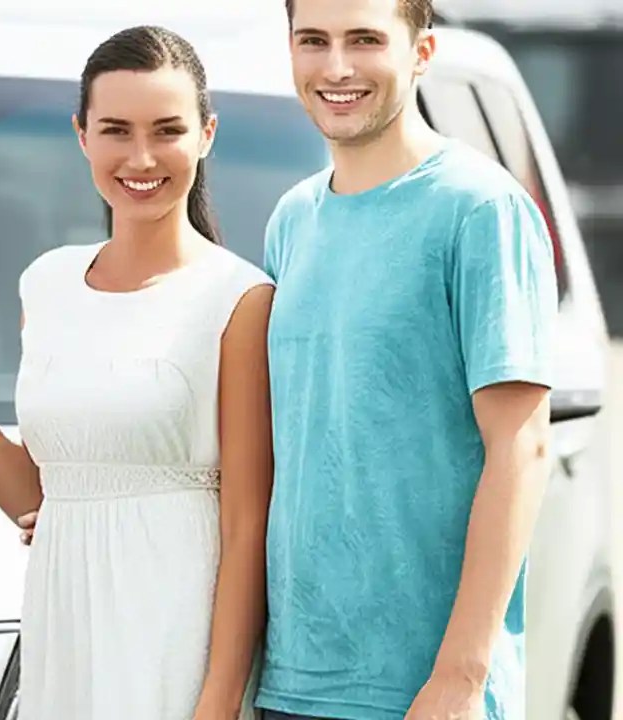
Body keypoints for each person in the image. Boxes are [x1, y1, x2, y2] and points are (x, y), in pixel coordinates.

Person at [0, 25, 275, 720]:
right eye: (116, 130)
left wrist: (218, 703)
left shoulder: (239, 298)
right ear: (82, 135)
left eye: (168, 130)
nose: (141, 157)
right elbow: (48, 497)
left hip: (174, 631)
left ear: (206, 134)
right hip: (64, 622)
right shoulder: (45, 283)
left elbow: (246, 525)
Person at [252, 0, 558, 718]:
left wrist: (459, 677)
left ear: (421, 52)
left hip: (421, 693)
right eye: (313, 41)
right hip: (291, 683)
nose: (336, 67)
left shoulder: (479, 209)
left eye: (364, 40)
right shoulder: (292, 220)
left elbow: (522, 446)